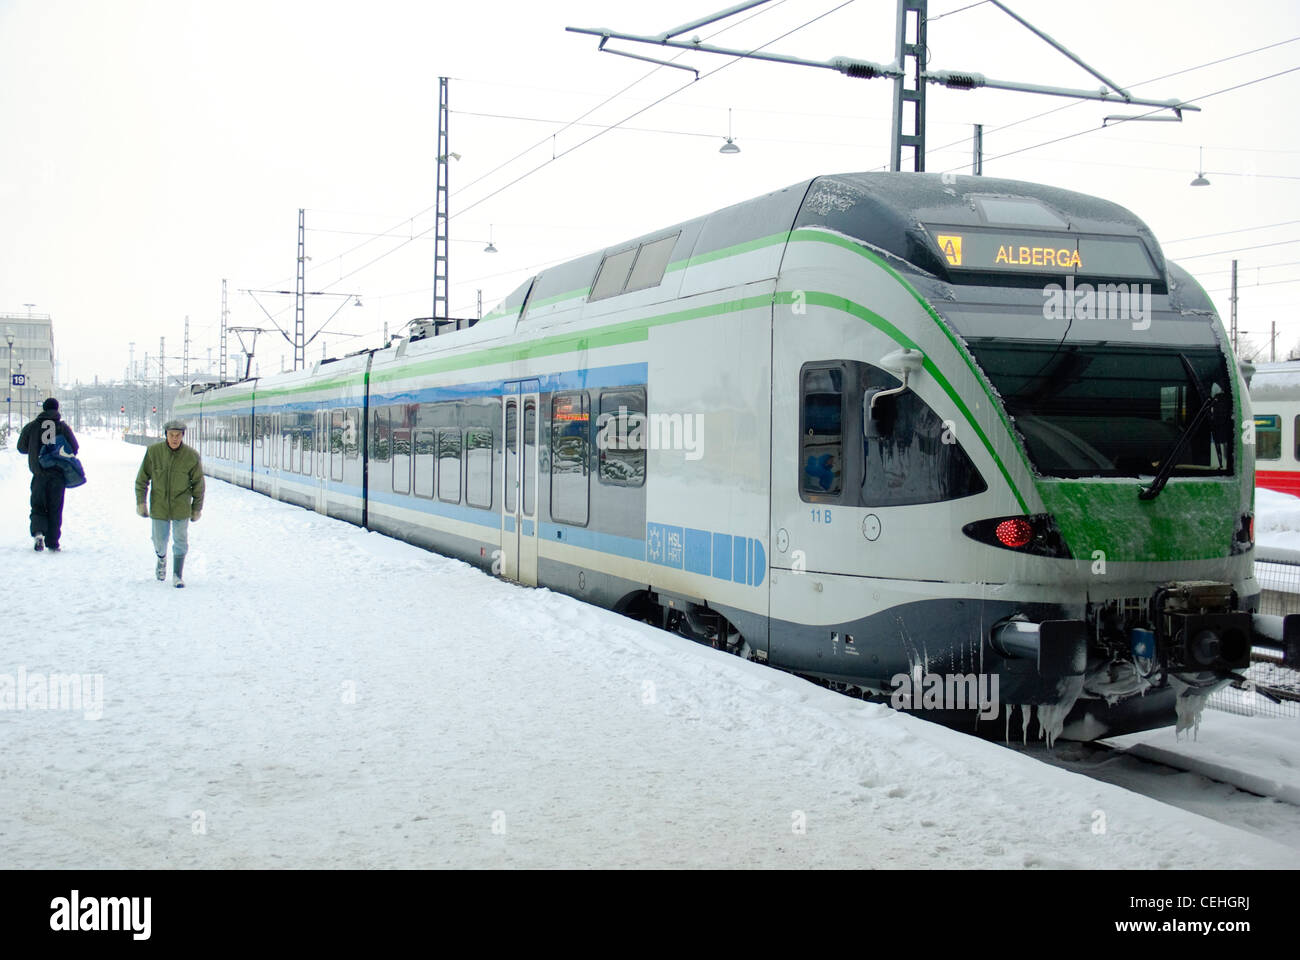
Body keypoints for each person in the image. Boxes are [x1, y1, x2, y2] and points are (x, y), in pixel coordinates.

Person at [135, 419, 204, 588]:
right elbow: (142, 480)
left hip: (181, 505)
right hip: (159, 505)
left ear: (183, 436)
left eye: (178, 435)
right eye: (171, 435)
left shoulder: (191, 456)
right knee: (159, 539)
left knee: (180, 539)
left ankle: (177, 574)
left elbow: (199, 485)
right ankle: (161, 558)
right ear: (165, 435)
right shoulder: (153, 452)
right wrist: (141, 502)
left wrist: (196, 508)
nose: (174, 438)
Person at [16, 398, 79, 552]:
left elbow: (21, 447)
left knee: (37, 505)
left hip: (39, 474)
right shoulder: (63, 427)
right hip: (58, 475)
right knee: (55, 508)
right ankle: (53, 542)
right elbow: (75, 448)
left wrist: (34, 448)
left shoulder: (32, 426)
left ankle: (38, 533)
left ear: (43, 409)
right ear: (57, 409)